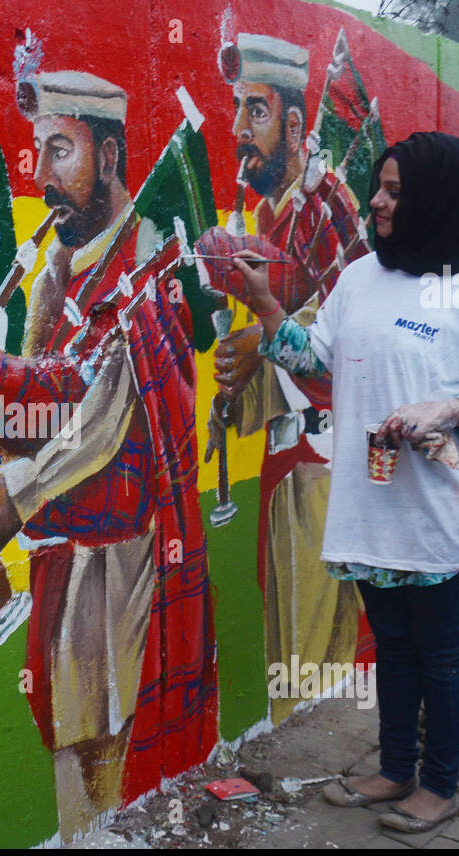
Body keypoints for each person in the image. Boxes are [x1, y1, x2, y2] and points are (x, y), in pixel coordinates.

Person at [228, 132, 459, 830]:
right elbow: (316, 362)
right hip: (369, 504)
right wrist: (269, 307)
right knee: (391, 648)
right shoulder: (362, 274)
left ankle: (439, 783)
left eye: (395, 190)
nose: (376, 200)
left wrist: (451, 410)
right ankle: (395, 769)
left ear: (436, 199)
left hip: (439, 511)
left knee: (438, 652)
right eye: (379, 186)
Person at [0, 66, 214, 841]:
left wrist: (13, 497)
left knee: (106, 747)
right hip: (63, 561)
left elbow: (101, 416)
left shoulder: (145, 272)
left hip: (122, 564)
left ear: (114, 155)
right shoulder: (61, 271)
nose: (40, 177)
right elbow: (39, 401)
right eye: (37, 154)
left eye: (60, 152)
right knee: (72, 741)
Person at [200, 33, 370, 721]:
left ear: (297, 124)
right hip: (280, 463)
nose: (239, 130)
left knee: (313, 683)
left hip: (326, 463)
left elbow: (350, 344)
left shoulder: (331, 209)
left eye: (256, 112)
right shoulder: (260, 214)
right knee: (287, 672)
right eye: (237, 111)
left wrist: (261, 347)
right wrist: (233, 394)